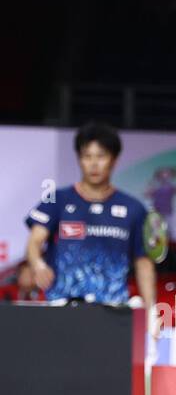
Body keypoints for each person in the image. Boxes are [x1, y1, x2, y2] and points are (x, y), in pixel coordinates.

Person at [25, 121, 155, 315]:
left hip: (114, 313)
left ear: (114, 160)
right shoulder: (57, 200)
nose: (94, 164)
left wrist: (152, 312)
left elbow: (143, 263)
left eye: (101, 156)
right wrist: (38, 264)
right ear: (79, 159)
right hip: (61, 308)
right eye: (87, 156)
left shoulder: (134, 209)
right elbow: (35, 241)